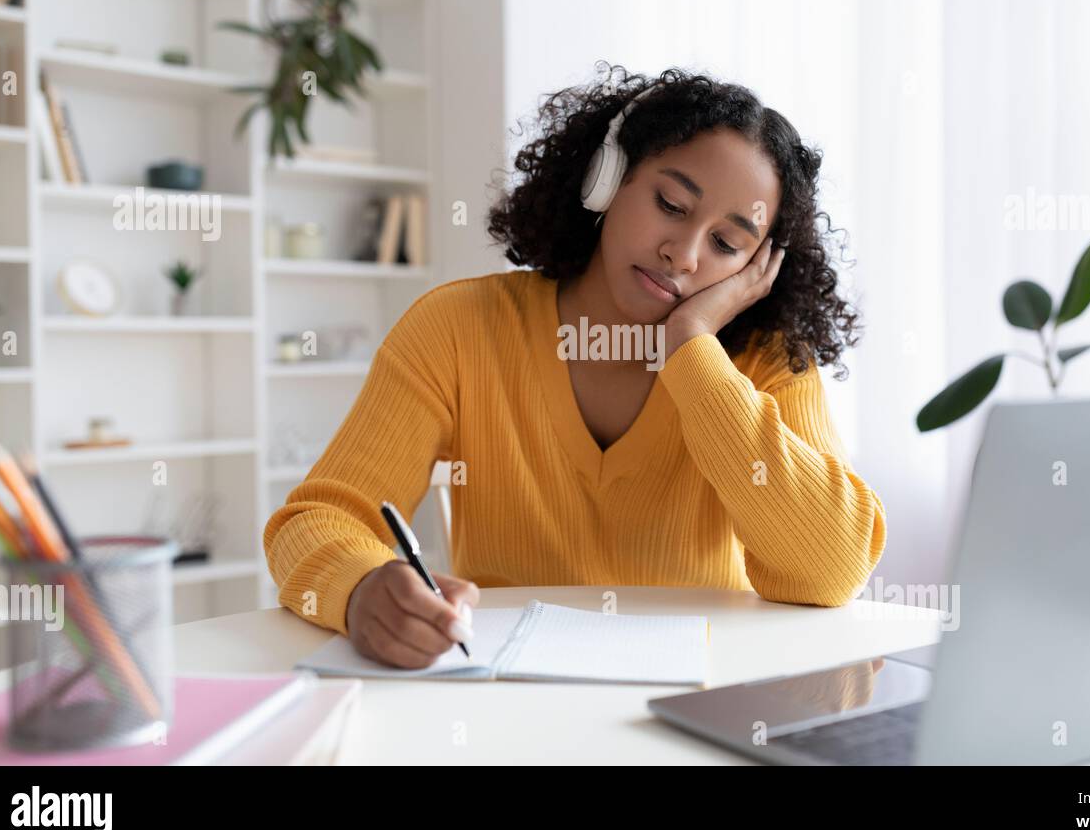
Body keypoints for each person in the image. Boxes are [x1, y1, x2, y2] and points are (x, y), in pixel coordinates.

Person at [264, 63, 887, 668]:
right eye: (670, 204)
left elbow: (830, 569)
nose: (684, 254)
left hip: (697, 710)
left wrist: (692, 349)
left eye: (727, 244)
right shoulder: (458, 329)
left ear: (757, 270)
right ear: (606, 179)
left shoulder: (764, 363)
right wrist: (360, 588)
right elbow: (318, 520)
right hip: (510, 706)